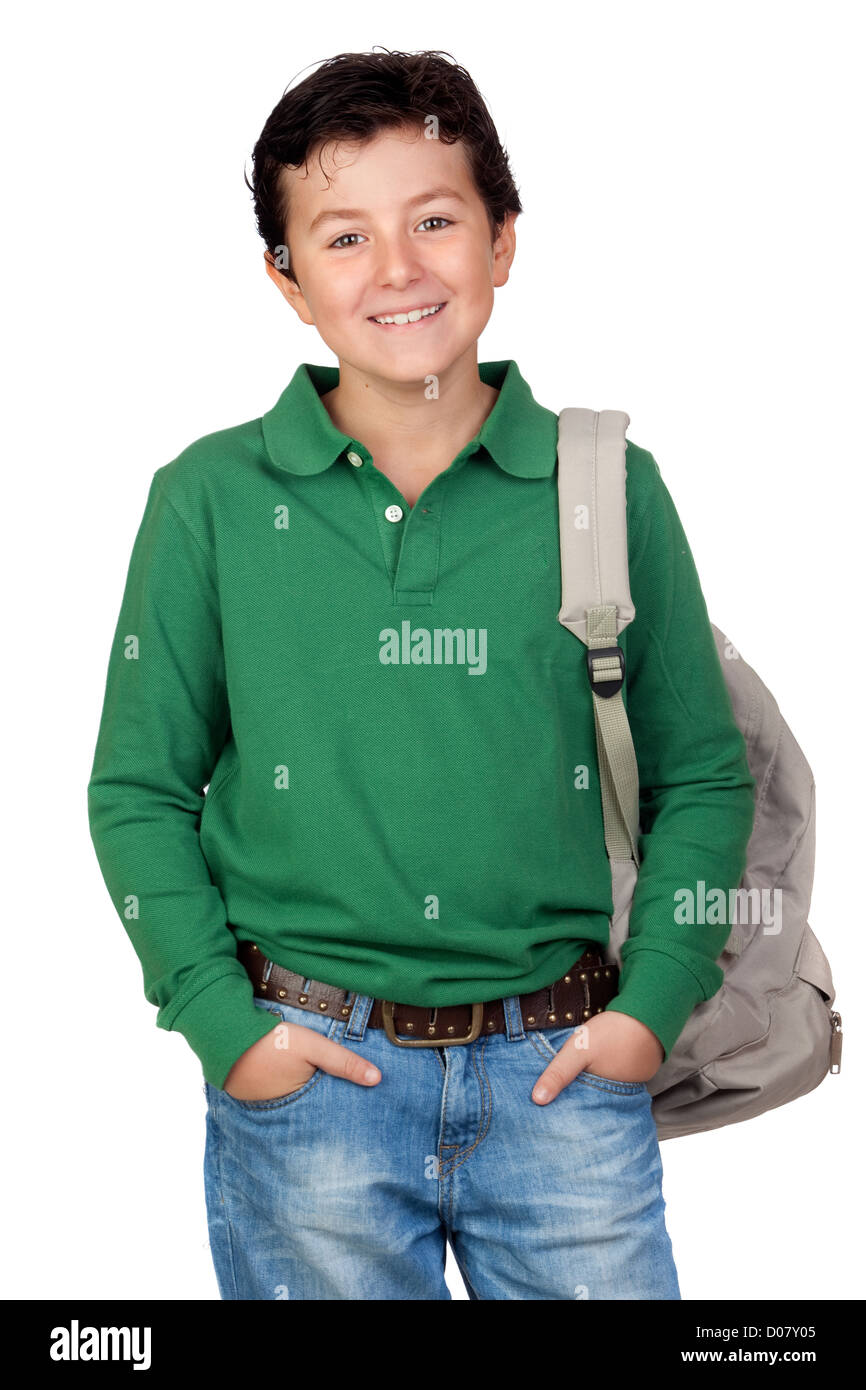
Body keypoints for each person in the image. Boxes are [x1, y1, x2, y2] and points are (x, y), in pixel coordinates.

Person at [87, 48, 756, 1301]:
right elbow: (137, 788)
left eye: (434, 220)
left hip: (564, 1071)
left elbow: (704, 778)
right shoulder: (212, 500)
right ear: (286, 282)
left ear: (502, 241)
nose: (396, 270)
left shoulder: (603, 482)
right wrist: (226, 1033)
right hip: (311, 1085)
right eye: (342, 237)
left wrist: (645, 1015)